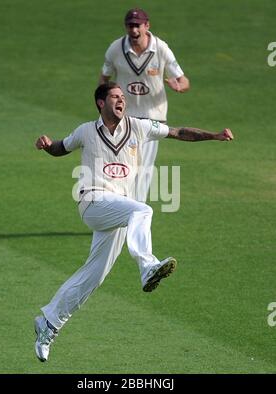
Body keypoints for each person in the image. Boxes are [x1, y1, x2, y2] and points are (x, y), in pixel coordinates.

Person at [34, 82, 233, 362]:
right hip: (92, 200)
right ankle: (147, 265)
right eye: (115, 97)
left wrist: (213, 135)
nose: (121, 101)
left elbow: (177, 132)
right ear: (100, 103)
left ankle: (49, 323)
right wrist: (45, 145)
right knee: (143, 211)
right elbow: (60, 147)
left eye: (123, 97)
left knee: (94, 276)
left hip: (117, 207)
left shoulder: (139, 126)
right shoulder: (85, 131)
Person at [99, 8, 190, 202]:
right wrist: (104, 104)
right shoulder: (115, 49)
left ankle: (136, 213)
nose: (133, 30)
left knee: (143, 168)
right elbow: (104, 78)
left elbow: (184, 80)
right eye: (130, 26)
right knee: (122, 166)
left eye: (137, 25)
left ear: (146, 26)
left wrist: (179, 87)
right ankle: (122, 210)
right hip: (124, 117)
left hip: (153, 117)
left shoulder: (161, 48)